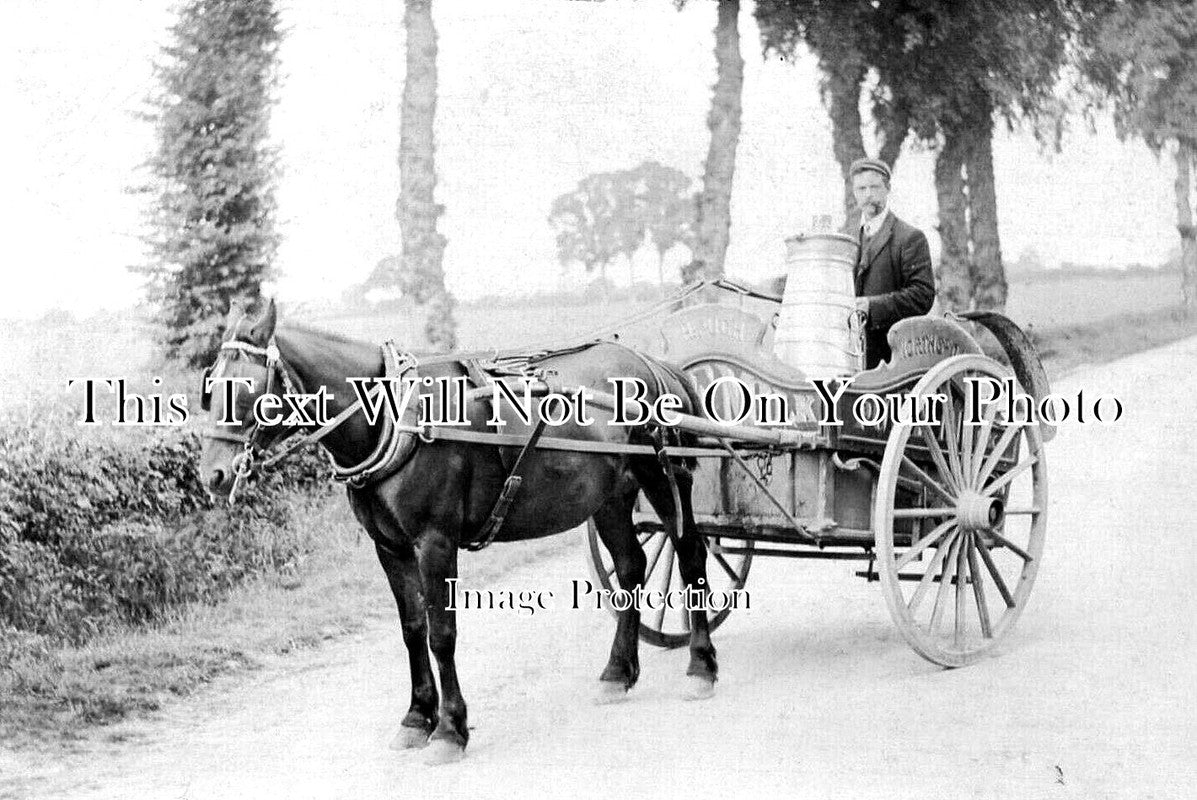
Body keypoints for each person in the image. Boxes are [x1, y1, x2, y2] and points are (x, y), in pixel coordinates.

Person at [849, 157, 936, 368]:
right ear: (854, 192)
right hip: (850, 356)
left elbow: (922, 296)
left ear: (887, 189)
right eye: (861, 188)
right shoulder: (847, 238)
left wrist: (872, 306)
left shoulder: (909, 237)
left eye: (874, 187)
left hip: (893, 359)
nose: (868, 194)